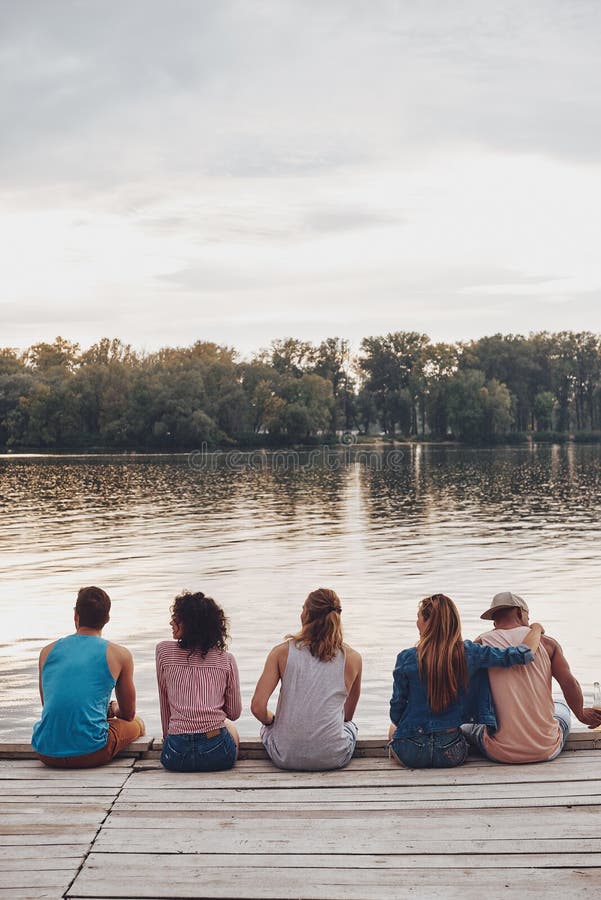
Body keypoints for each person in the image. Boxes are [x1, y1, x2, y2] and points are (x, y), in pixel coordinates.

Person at [388, 593, 544, 769]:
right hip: (450, 752)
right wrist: (536, 628)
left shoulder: (406, 658)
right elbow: (524, 654)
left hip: (411, 753)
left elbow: (396, 713)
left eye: (418, 618)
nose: (417, 623)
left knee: (393, 730)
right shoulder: (472, 653)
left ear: (427, 621)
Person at [462, 591, 601, 763]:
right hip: (547, 748)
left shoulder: (482, 644)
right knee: (560, 705)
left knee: (467, 726)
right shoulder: (547, 643)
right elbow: (569, 684)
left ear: (494, 619)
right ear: (520, 613)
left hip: (500, 752)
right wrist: (580, 714)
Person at [32, 586, 144, 768]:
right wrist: (114, 709)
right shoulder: (120, 654)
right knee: (137, 724)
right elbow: (128, 714)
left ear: (76, 616)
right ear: (107, 619)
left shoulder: (47, 651)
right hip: (92, 752)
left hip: (46, 751)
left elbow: (50, 704)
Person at [251, 588, 362, 771]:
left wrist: (272, 721)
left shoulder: (281, 653)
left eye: (303, 608)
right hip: (334, 756)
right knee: (352, 727)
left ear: (306, 615)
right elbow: (347, 716)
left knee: (266, 729)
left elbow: (257, 707)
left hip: (284, 756)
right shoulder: (353, 658)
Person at [156, 590, 242, 772]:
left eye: (176, 618)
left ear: (191, 624)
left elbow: (165, 705)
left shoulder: (163, 651)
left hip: (175, 754)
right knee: (230, 726)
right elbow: (234, 713)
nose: (171, 622)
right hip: (217, 752)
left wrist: (169, 741)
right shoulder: (226, 659)